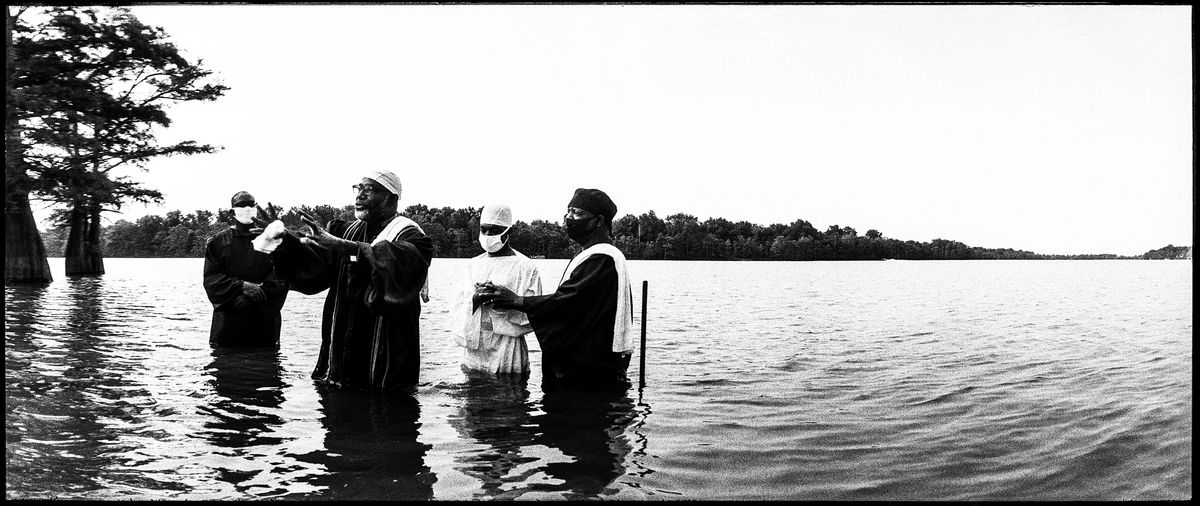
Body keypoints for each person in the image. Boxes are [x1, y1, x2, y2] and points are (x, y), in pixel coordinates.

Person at [252, 170, 434, 390]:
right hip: (342, 347)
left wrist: (341, 246)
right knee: (338, 407)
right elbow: (316, 270)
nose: (360, 195)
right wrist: (285, 239)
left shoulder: (412, 237)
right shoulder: (346, 231)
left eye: (370, 190)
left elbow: (396, 260)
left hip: (387, 350)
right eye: (359, 188)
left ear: (391, 199)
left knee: (388, 407)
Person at [483, 188, 635, 392]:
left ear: (599, 221)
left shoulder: (602, 257)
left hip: (590, 368)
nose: (569, 218)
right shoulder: (591, 254)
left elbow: (569, 301)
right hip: (591, 362)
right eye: (568, 211)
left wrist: (517, 301)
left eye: (577, 213)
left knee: (577, 418)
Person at [449, 203, 543, 375]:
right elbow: (456, 310)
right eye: (484, 230)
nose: (488, 235)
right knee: (473, 397)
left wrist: (508, 301)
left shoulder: (526, 267)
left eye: (494, 230)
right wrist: (475, 299)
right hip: (475, 348)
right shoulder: (472, 265)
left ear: (509, 231)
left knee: (509, 395)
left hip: (507, 348)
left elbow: (535, 314)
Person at [202, 191, 289, 348]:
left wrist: (256, 294)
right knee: (225, 367)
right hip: (227, 325)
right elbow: (211, 280)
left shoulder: (272, 239)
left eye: (251, 204)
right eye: (242, 205)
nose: (247, 208)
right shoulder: (217, 242)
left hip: (264, 326)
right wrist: (240, 286)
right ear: (231, 211)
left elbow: (282, 277)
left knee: (266, 366)